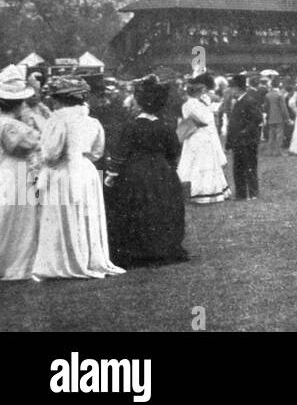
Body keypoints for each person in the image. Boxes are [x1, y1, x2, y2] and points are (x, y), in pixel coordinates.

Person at [31, 76, 125, 280]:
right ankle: (88, 257)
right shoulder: (92, 121)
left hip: (63, 170)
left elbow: (50, 154)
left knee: (64, 213)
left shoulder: (57, 120)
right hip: (86, 169)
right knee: (87, 213)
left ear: (58, 100)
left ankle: (66, 260)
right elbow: (97, 152)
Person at [103, 75, 188, 267]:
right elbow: (174, 152)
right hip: (162, 171)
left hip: (135, 172)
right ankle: (161, 247)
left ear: (139, 103)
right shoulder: (165, 126)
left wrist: (112, 174)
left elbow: (120, 152)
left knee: (137, 208)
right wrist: (169, 169)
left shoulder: (131, 126)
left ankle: (140, 250)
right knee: (162, 208)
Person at [0, 65, 42, 280]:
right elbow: (29, 143)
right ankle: (15, 263)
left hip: (6, 170)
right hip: (14, 172)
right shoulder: (11, 126)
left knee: (8, 214)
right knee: (16, 218)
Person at [177, 74, 230, 204]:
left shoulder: (192, 104)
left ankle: (205, 190)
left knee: (200, 162)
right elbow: (205, 119)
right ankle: (203, 192)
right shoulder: (192, 104)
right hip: (198, 136)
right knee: (201, 163)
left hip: (200, 136)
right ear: (198, 92)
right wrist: (211, 111)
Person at [225, 73, 263, 200]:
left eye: (232, 88)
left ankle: (253, 193)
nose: (230, 91)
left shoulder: (249, 101)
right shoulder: (237, 102)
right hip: (238, 141)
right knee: (238, 168)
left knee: (250, 167)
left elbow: (257, 119)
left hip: (247, 141)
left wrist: (245, 131)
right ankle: (241, 194)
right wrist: (229, 142)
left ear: (237, 89)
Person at [263, 79, 290, 155]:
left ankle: (270, 151)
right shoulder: (280, 95)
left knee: (271, 135)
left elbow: (266, 107)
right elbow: (283, 108)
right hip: (279, 117)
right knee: (279, 135)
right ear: (279, 85)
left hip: (271, 116)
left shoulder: (268, 95)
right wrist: (287, 118)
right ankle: (278, 151)